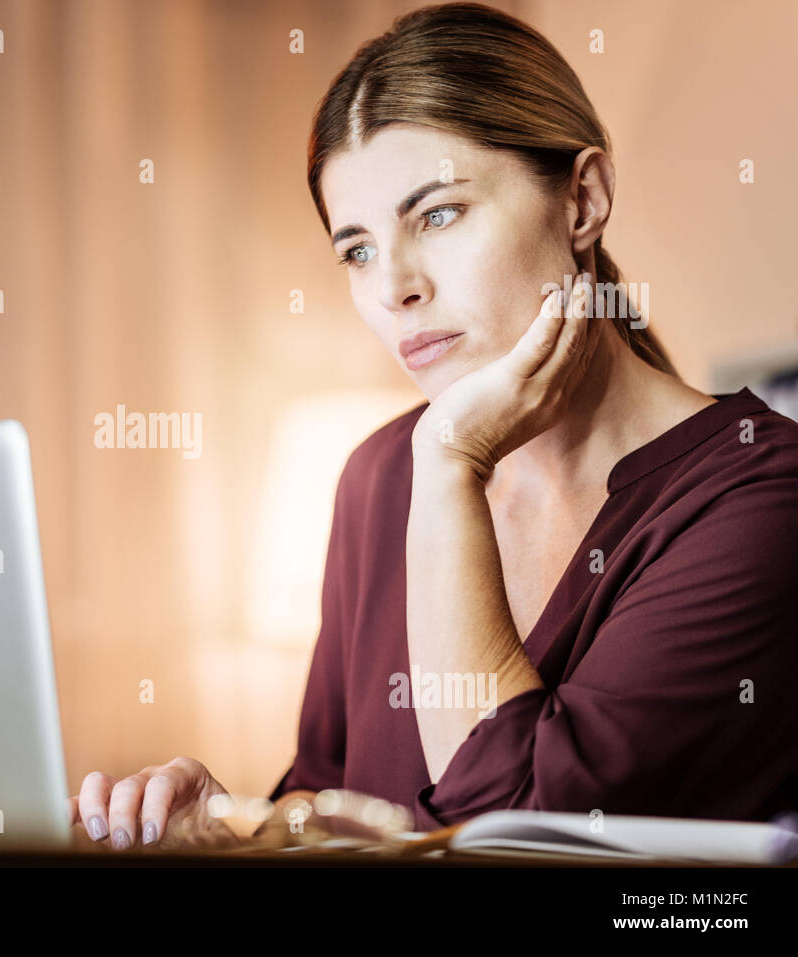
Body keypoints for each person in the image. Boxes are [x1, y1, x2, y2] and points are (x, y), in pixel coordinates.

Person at [69, 1, 798, 850]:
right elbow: (332, 797)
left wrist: (452, 463)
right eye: (358, 250)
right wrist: (235, 831)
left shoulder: (763, 500)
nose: (395, 289)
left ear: (583, 199)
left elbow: (520, 836)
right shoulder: (378, 477)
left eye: (439, 214)